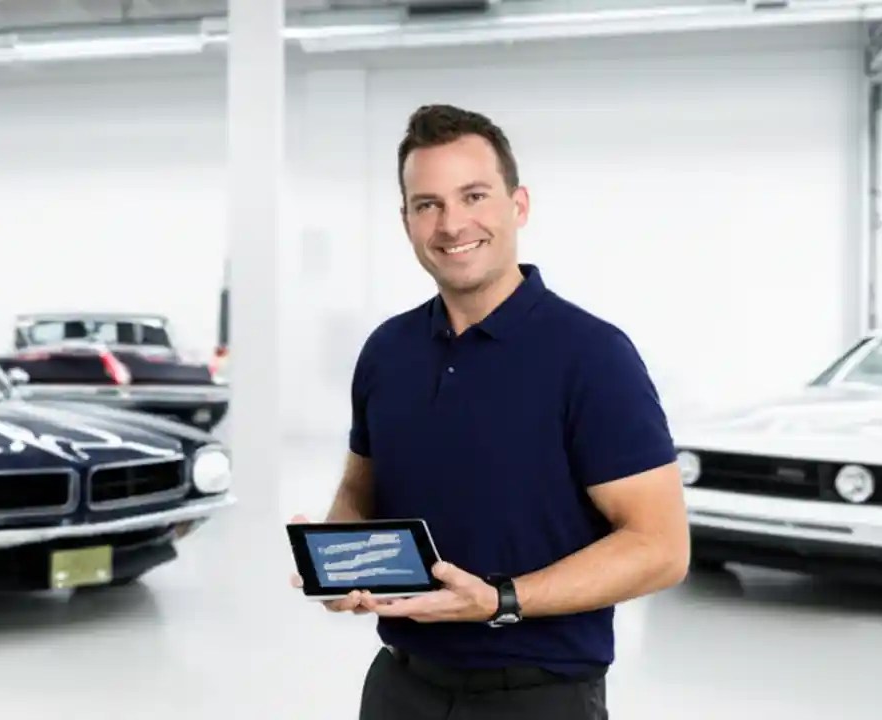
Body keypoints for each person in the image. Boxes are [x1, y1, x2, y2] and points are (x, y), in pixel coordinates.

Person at [291, 105, 690, 719]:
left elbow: (661, 546)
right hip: (400, 688)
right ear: (406, 221)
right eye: (428, 204)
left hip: (537, 695)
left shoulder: (591, 356)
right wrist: (340, 560)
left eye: (473, 196)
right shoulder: (386, 351)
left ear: (518, 205)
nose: (452, 224)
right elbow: (358, 488)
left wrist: (501, 599)